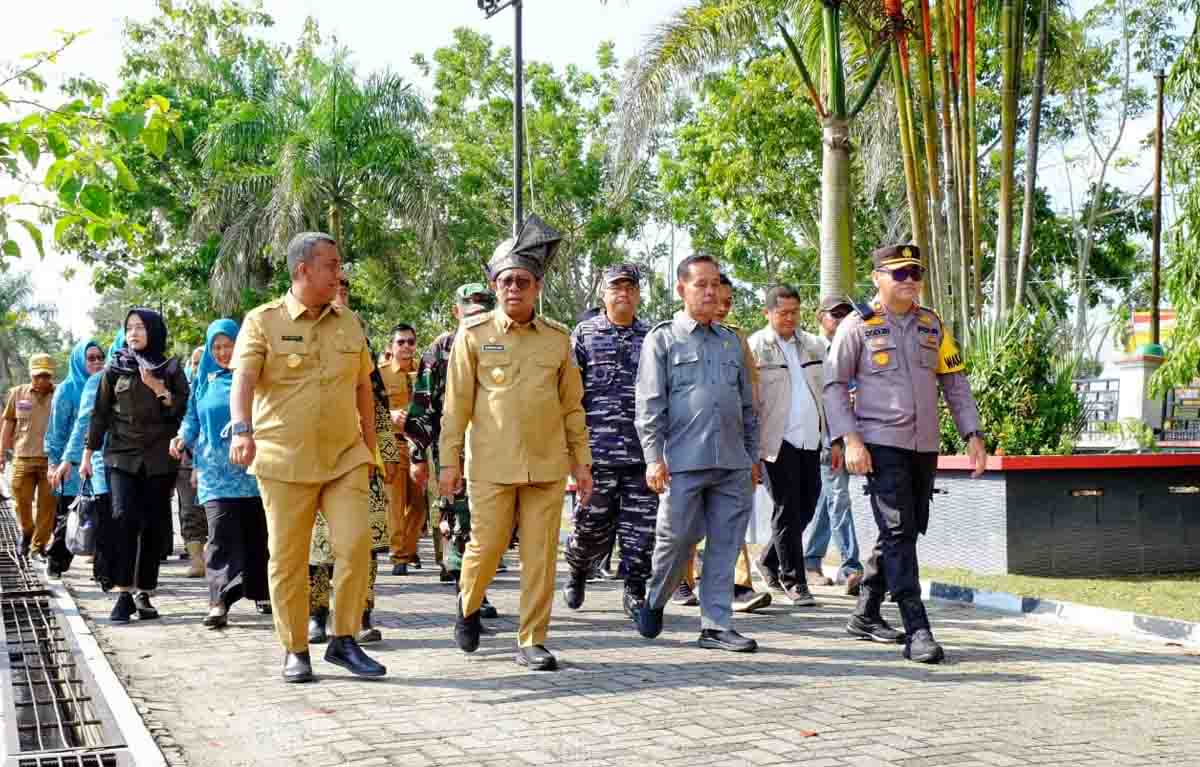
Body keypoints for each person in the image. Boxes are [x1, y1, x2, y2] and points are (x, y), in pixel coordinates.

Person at [229, 231, 385, 683]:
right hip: (284, 459)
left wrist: (370, 448)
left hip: (344, 457)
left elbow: (362, 387)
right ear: (304, 270)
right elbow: (243, 381)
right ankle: (295, 648)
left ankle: (344, 639)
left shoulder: (349, 323)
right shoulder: (263, 321)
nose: (340, 272)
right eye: (332, 265)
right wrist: (242, 430)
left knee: (356, 546)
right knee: (288, 559)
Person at [439, 215, 593, 672]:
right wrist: (449, 465)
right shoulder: (474, 336)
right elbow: (456, 407)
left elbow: (572, 408)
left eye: (523, 281)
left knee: (540, 557)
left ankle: (532, 639)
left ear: (537, 287)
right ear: (494, 283)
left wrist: (581, 463)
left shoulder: (558, 340)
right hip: (490, 465)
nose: (514, 289)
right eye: (506, 281)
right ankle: (468, 605)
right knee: (484, 549)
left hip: (547, 466)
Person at [824, 244, 987, 664]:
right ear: (877, 278)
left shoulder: (932, 324)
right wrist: (851, 440)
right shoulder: (857, 326)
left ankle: (865, 612)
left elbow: (954, 382)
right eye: (899, 273)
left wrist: (972, 432)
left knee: (904, 531)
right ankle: (918, 628)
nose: (910, 280)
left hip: (923, 445)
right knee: (898, 532)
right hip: (880, 444)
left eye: (915, 272)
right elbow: (835, 387)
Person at [630, 254, 760, 653]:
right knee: (678, 539)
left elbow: (748, 405)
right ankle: (654, 598)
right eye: (700, 284)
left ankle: (716, 625)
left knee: (725, 542)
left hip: (732, 462)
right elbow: (650, 403)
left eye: (715, 284)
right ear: (681, 289)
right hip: (683, 461)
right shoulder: (663, 339)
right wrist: (653, 457)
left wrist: (753, 456)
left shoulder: (730, 341)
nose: (710, 292)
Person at [306, 284, 402, 645]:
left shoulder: (366, 368)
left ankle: (361, 615)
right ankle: (316, 615)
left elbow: (378, 412)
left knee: (364, 545)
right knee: (317, 548)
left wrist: (388, 454)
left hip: (362, 465)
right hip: (315, 463)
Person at [82, 310, 190, 623]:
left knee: (153, 524)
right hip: (121, 455)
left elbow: (183, 411)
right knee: (122, 517)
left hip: (159, 457)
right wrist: (88, 453)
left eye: (140, 327)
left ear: (153, 331)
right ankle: (123, 591)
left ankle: (144, 591)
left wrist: (159, 390)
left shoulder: (170, 368)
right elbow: (100, 413)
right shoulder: (115, 368)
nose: (133, 333)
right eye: (129, 328)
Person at [561, 264, 656, 617]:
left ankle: (635, 589)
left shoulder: (652, 336)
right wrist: (573, 453)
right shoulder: (584, 334)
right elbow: (570, 396)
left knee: (640, 530)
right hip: (597, 454)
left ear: (638, 293)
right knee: (589, 526)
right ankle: (578, 570)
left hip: (641, 454)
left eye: (630, 287)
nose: (624, 293)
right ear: (603, 292)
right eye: (616, 287)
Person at [671, 275, 770, 613]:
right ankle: (678, 581)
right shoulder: (672, 337)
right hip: (685, 451)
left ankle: (737, 586)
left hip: (729, 447)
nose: (722, 307)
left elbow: (750, 393)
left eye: (728, 301)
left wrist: (751, 449)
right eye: (718, 299)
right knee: (685, 526)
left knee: (728, 521)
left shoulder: (734, 339)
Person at [404, 283, 500, 617]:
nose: (476, 314)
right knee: (459, 519)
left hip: (493, 448)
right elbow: (423, 405)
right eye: (469, 307)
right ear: (456, 311)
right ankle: (468, 593)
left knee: (488, 522)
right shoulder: (441, 348)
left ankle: (475, 587)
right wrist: (418, 456)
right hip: (453, 451)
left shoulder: (501, 341)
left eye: (483, 308)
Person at [171, 320, 270, 629]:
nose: (223, 352)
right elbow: (192, 418)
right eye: (217, 347)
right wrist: (182, 437)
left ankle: (262, 592)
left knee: (257, 535)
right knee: (220, 536)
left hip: (253, 470)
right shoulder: (203, 380)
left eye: (228, 345)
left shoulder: (256, 376)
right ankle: (218, 601)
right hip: (215, 472)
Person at [748, 284, 832, 607]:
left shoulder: (814, 345)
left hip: (810, 439)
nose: (789, 318)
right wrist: (751, 449)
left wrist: (834, 439)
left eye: (794, 312)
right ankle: (793, 580)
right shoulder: (754, 347)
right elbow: (750, 402)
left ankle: (769, 559)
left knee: (807, 504)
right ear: (767, 313)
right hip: (774, 442)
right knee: (787, 508)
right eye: (783, 312)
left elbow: (828, 392)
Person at [803, 297, 863, 593]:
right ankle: (852, 567)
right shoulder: (814, 351)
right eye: (834, 315)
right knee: (838, 499)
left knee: (827, 504)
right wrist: (834, 440)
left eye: (845, 315)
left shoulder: (855, 347)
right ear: (819, 317)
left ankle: (810, 560)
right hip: (828, 441)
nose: (840, 320)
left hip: (853, 437)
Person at [64, 332, 124, 592]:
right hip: (102, 463)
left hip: (136, 463)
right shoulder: (98, 382)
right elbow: (83, 425)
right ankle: (107, 573)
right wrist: (69, 458)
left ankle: (130, 577)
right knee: (108, 520)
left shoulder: (151, 378)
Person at [45, 341, 104, 577]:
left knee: (102, 517)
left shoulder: (106, 384)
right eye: (91, 358)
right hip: (70, 467)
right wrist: (54, 462)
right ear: (79, 360)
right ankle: (56, 561)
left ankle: (104, 572)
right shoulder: (67, 389)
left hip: (98, 462)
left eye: (101, 357)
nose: (97, 362)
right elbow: (57, 430)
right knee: (71, 516)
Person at [378, 322, 427, 576]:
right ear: (391, 346)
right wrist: (389, 413)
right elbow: (368, 407)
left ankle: (407, 548)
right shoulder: (381, 373)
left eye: (410, 342)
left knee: (420, 504)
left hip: (420, 445)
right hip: (393, 443)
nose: (406, 347)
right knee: (394, 504)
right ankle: (399, 555)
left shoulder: (425, 372)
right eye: (401, 342)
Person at [2, 353, 59, 558]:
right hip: (22, 458)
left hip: (51, 461)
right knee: (21, 501)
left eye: (46, 375)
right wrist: (1, 454)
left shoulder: (59, 394)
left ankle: (38, 546)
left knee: (47, 507)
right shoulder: (18, 394)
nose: (42, 380)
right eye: (38, 375)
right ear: (30, 374)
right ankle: (26, 532)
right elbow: (8, 422)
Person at [170, 346, 208, 572]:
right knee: (188, 511)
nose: (197, 367)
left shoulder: (220, 387)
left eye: (202, 362)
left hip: (216, 464)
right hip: (185, 462)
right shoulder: (182, 393)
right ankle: (196, 560)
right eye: (194, 362)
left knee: (211, 511)